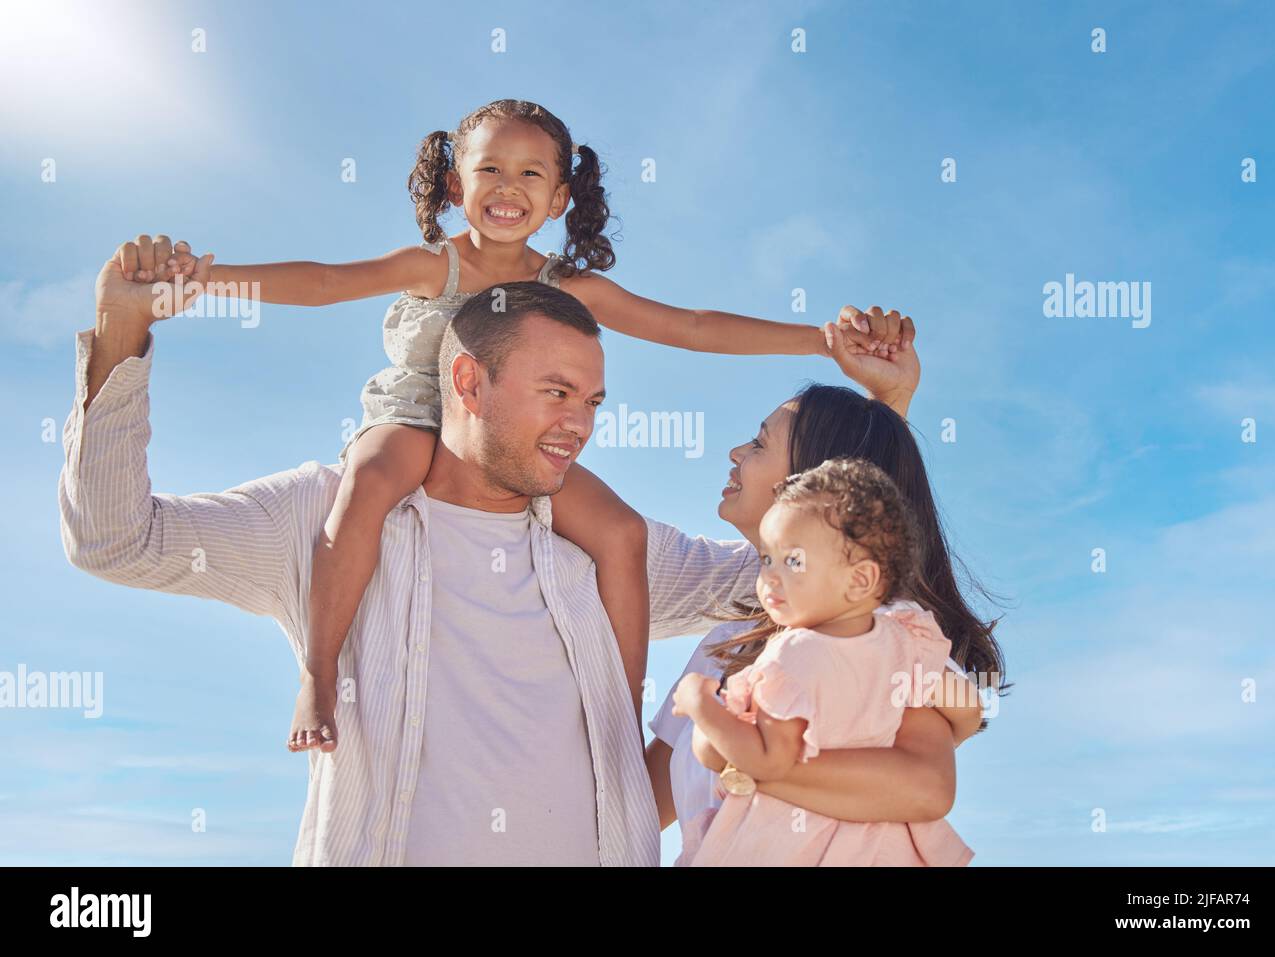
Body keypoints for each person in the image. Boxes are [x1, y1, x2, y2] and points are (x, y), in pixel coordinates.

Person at [120, 98, 891, 755]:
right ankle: (317, 680)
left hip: (513, 443)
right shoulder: (436, 265)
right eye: (489, 169)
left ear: (558, 198)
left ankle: (616, 721)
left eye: (530, 174)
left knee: (620, 533)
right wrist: (207, 281)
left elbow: (688, 325)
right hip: (417, 414)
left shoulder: (568, 284)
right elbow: (324, 281)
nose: (507, 187)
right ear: (457, 184)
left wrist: (820, 340)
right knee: (366, 486)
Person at [645, 349, 1005, 865]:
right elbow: (639, 802)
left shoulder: (874, 631)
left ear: (813, 481)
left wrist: (759, 761)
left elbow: (926, 787)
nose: (735, 451)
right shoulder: (728, 644)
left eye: (759, 443)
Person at [675, 458, 975, 866]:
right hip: (874, 848)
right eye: (767, 560)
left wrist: (699, 703)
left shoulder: (793, 654)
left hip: (785, 844)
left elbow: (767, 758)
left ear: (860, 580)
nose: (770, 578)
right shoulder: (904, 638)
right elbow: (970, 711)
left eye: (793, 561)